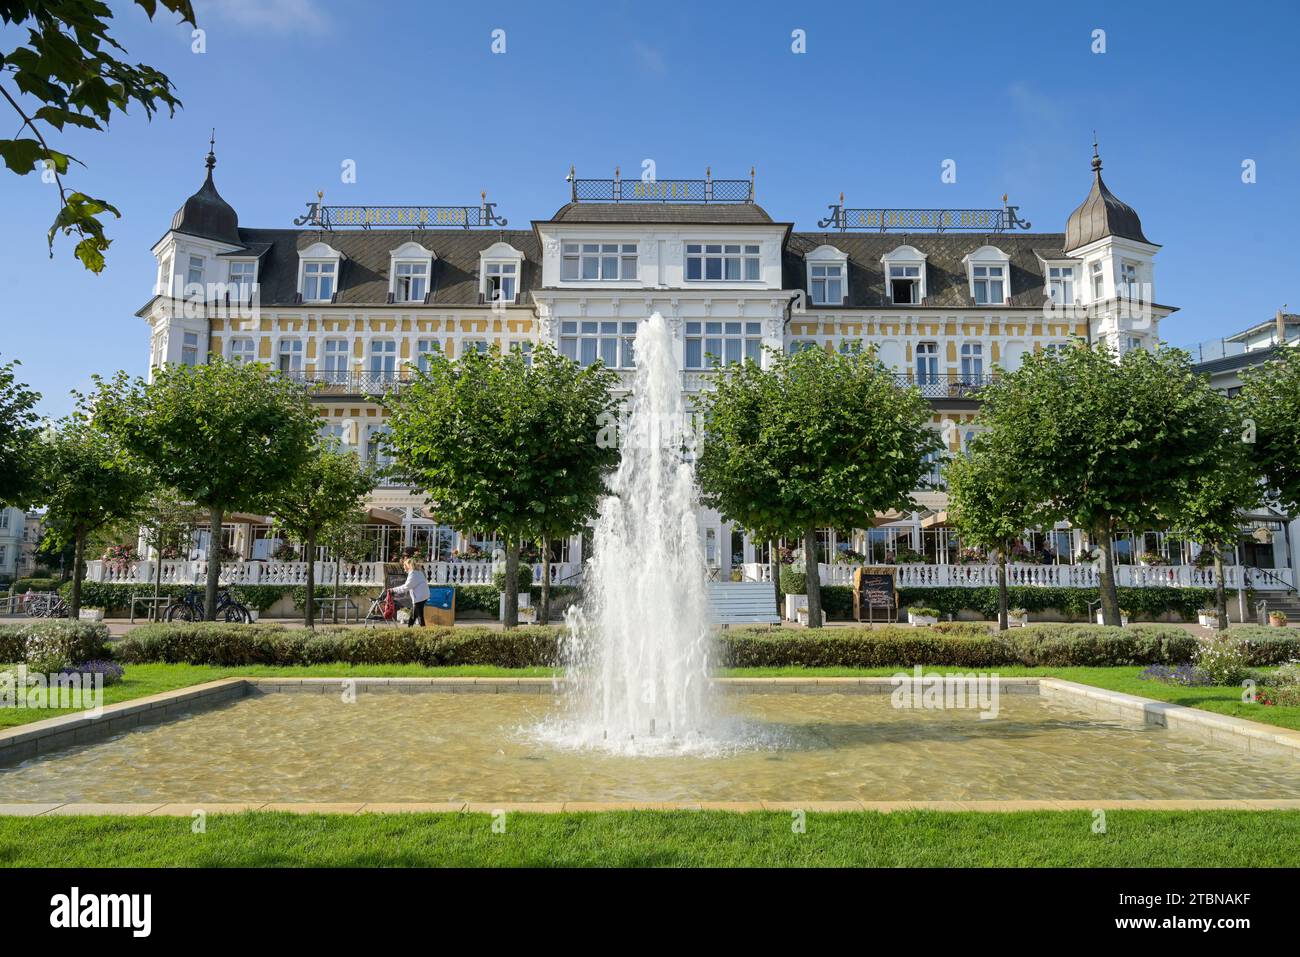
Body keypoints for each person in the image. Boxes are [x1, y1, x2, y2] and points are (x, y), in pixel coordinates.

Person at [390, 556, 430, 628]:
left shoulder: (413, 574)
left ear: (407, 566)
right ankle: (409, 628)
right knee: (414, 614)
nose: (403, 567)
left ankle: (424, 631)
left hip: (420, 597)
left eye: (404, 566)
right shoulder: (417, 571)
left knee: (419, 615)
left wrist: (393, 590)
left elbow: (406, 587)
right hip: (422, 596)